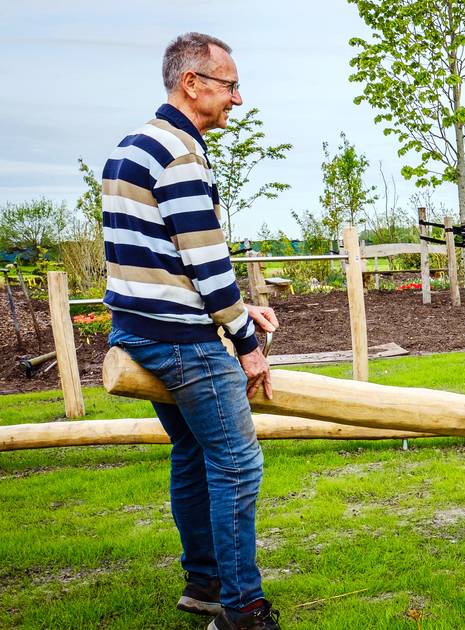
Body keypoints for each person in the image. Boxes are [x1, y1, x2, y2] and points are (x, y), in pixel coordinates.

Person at [102, 32, 281, 630]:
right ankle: (242, 609)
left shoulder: (132, 146)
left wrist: (236, 308)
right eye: (229, 85)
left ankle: (204, 583)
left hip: (138, 330)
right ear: (192, 83)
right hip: (184, 343)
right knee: (237, 463)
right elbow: (204, 261)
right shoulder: (180, 153)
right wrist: (246, 344)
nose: (237, 97)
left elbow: (161, 258)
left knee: (192, 453)